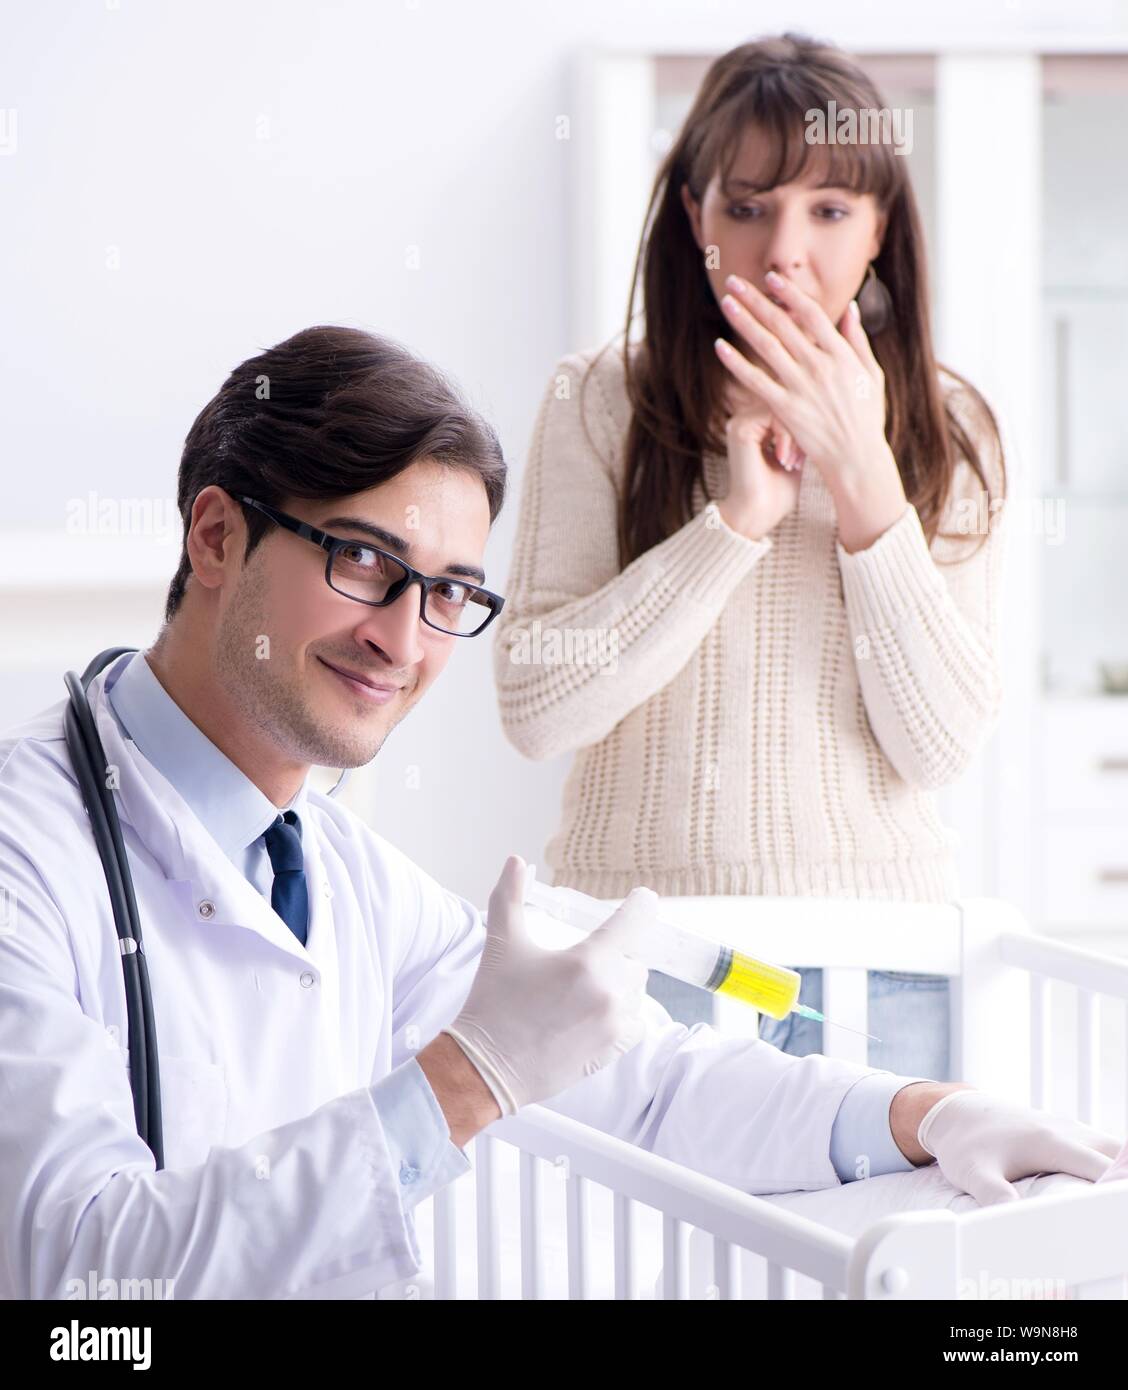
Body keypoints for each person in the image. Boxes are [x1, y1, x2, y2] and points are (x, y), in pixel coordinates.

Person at [0, 326, 1113, 1302]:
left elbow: (649, 1081)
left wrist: (928, 1112)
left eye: (449, 592)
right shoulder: (27, 854)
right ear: (214, 537)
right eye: (362, 560)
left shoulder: (334, 870)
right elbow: (81, 1278)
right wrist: (465, 1077)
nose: (405, 639)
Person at [492, 33, 1008, 1079]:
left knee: (873, 1245)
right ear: (693, 216)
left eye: (829, 210)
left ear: (879, 231)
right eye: (747, 205)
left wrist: (863, 478)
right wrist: (734, 521)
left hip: (881, 967)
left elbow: (943, 747)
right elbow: (537, 710)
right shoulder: (598, 399)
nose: (785, 251)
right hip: (642, 959)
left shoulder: (949, 425)